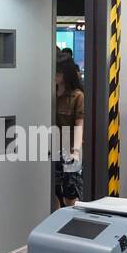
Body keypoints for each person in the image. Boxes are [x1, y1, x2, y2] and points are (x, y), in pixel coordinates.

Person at [54, 58, 85, 207]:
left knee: (70, 193)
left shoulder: (77, 96)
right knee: (52, 191)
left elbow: (79, 124)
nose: (56, 75)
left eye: (59, 72)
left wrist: (76, 151)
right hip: (51, 146)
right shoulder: (50, 93)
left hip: (69, 144)